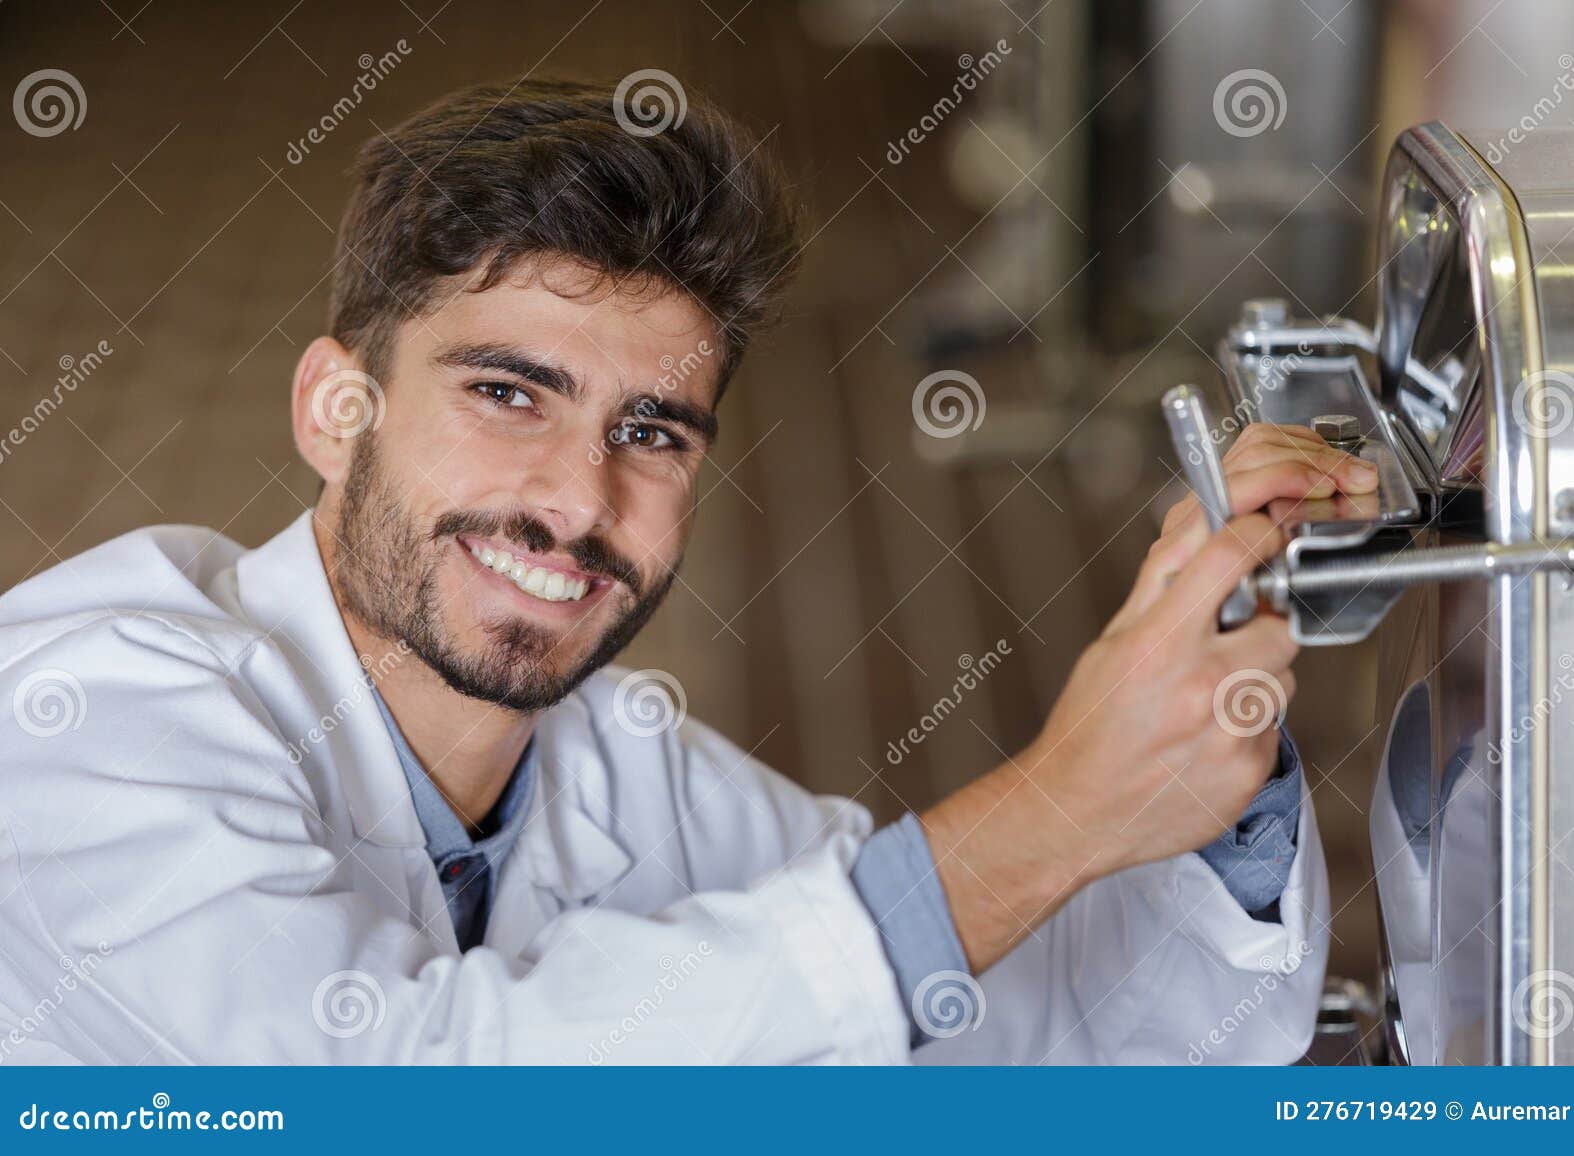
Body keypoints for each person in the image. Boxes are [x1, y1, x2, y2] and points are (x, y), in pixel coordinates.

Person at [0, 76, 1378, 1064]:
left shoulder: (629, 777)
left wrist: (1209, 709)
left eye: (648, 432)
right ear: (333, 410)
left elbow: (1066, 1051)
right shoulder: (90, 707)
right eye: (508, 393)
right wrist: (1057, 806)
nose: (577, 500)